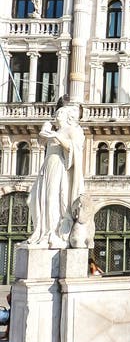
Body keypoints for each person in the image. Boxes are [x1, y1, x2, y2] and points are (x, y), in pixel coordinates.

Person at [27, 102, 85, 249]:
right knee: (33, 199)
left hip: (59, 166)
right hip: (47, 165)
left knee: (52, 199)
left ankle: (53, 233)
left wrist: (57, 136)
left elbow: (75, 148)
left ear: (68, 117)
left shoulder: (72, 130)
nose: (57, 114)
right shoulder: (54, 129)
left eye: (61, 113)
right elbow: (40, 142)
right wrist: (45, 131)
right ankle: (41, 231)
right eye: (57, 112)